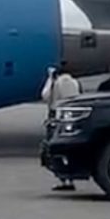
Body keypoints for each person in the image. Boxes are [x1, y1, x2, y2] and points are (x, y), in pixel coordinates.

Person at [41, 61, 80, 191]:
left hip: (56, 115)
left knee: (55, 148)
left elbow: (45, 95)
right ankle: (71, 177)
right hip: (72, 115)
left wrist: (49, 79)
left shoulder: (56, 83)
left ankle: (63, 179)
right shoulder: (75, 83)